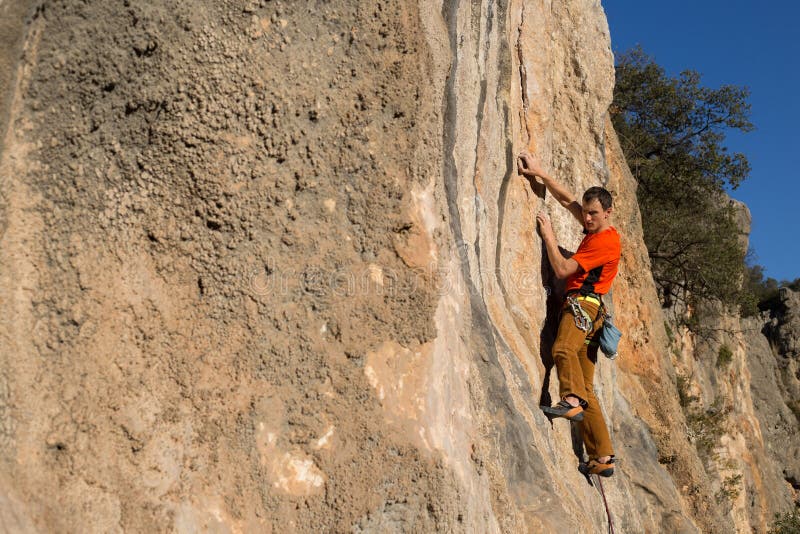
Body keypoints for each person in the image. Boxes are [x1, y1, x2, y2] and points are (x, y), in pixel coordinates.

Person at [517, 151, 621, 478]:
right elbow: (568, 202)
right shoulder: (600, 231)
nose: (586, 219)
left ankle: (570, 398)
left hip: (582, 306)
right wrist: (540, 173)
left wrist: (548, 236)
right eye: (586, 214)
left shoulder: (602, 243)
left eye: (593, 214)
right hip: (594, 313)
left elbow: (562, 269)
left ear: (608, 213)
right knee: (589, 389)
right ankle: (601, 456)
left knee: (561, 350)